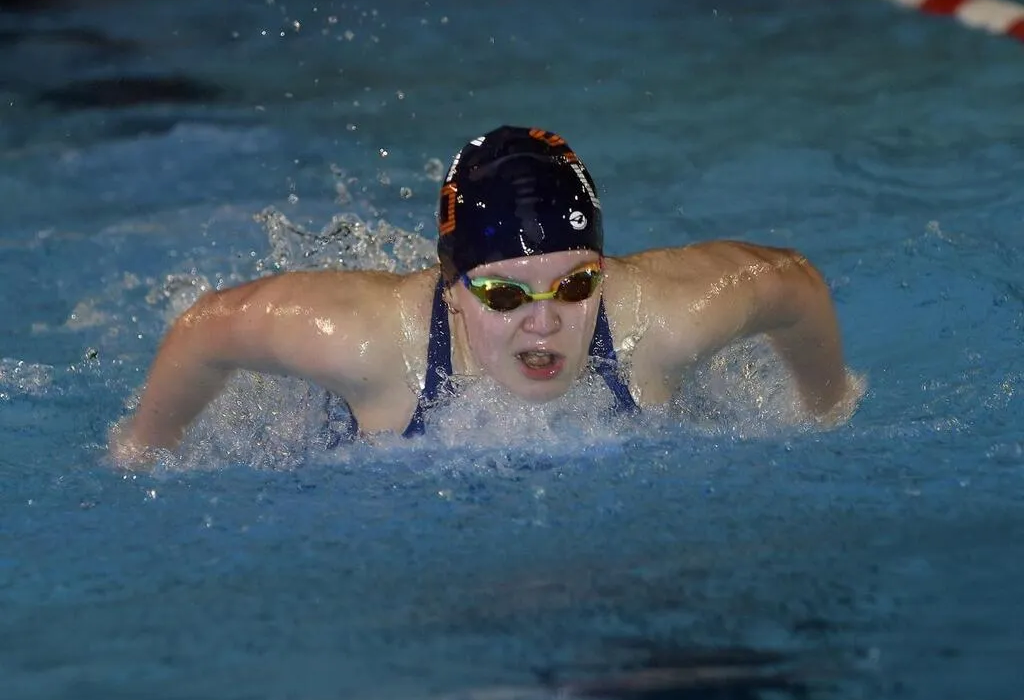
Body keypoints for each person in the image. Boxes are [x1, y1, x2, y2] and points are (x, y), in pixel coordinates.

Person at [109, 125, 857, 468]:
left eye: (577, 284)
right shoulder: (365, 344)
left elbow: (792, 283)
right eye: (503, 292)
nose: (545, 320)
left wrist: (825, 411)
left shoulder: (662, 322)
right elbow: (207, 328)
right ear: (452, 287)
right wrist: (144, 449)